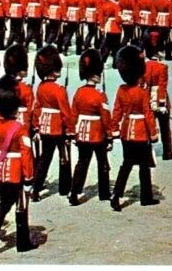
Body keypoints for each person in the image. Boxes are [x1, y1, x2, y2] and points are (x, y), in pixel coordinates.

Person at [0, 76, 36, 256]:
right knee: (14, 204)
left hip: (1, 170)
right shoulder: (20, 128)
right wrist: (29, 177)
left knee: (4, 203)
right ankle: (10, 240)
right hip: (16, 170)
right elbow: (26, 153)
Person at [110, 45, 159, 210]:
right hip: (140, 133)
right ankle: (146, 197)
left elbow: (116, 112)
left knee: (126, 165)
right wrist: (153, 133)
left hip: (126, 132)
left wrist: (113, 129)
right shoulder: (142, 92)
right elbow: (148, 114)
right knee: (144, 167)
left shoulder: (121, 90)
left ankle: (116, 195)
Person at [67, 49, 113, 205]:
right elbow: (106, 118)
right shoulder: (100, 95)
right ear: (95, 75)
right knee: (103, 164)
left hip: (82, 133)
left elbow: (73, 114)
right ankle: (104, 193)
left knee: (81, 164)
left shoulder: (79, 93)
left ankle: (74, 193)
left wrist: (72, 132)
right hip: (97, 134)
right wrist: (110, 134)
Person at [30, 46, 73, 200]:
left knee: (44, 159)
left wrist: (36, 125)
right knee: (64, 156)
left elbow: (37, 108)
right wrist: (70, 130)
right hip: (58, 128)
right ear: (54, 70)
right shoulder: (59, 89)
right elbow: (65, 112)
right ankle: (64, 187)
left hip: (45, 126)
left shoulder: (40, 88)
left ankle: (35, 189)